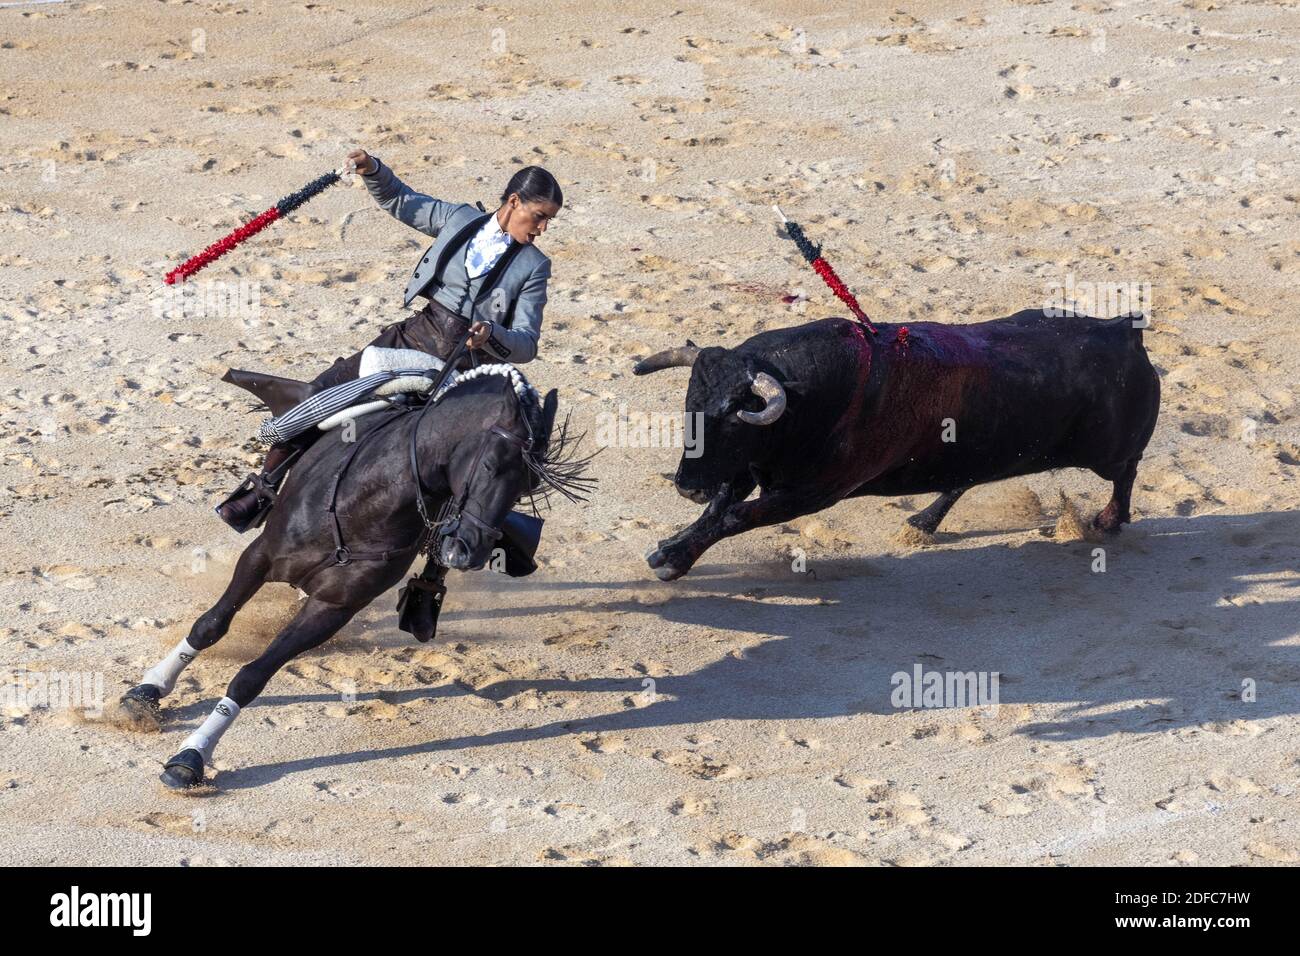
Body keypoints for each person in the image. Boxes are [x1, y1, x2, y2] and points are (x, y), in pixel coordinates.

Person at [215, 149, 562, 532]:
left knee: (482, 462)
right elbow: (402, 201)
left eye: (548, 221)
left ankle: (442, 559)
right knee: (319, 394)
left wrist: (492, 334)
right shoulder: (459, 220)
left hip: (463, 371)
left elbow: (527, 343)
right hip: (410, 341)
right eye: (540, 216)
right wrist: (373, 169)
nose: (542, 229)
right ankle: (263, 489)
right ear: (514, 202)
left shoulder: (534, 266)